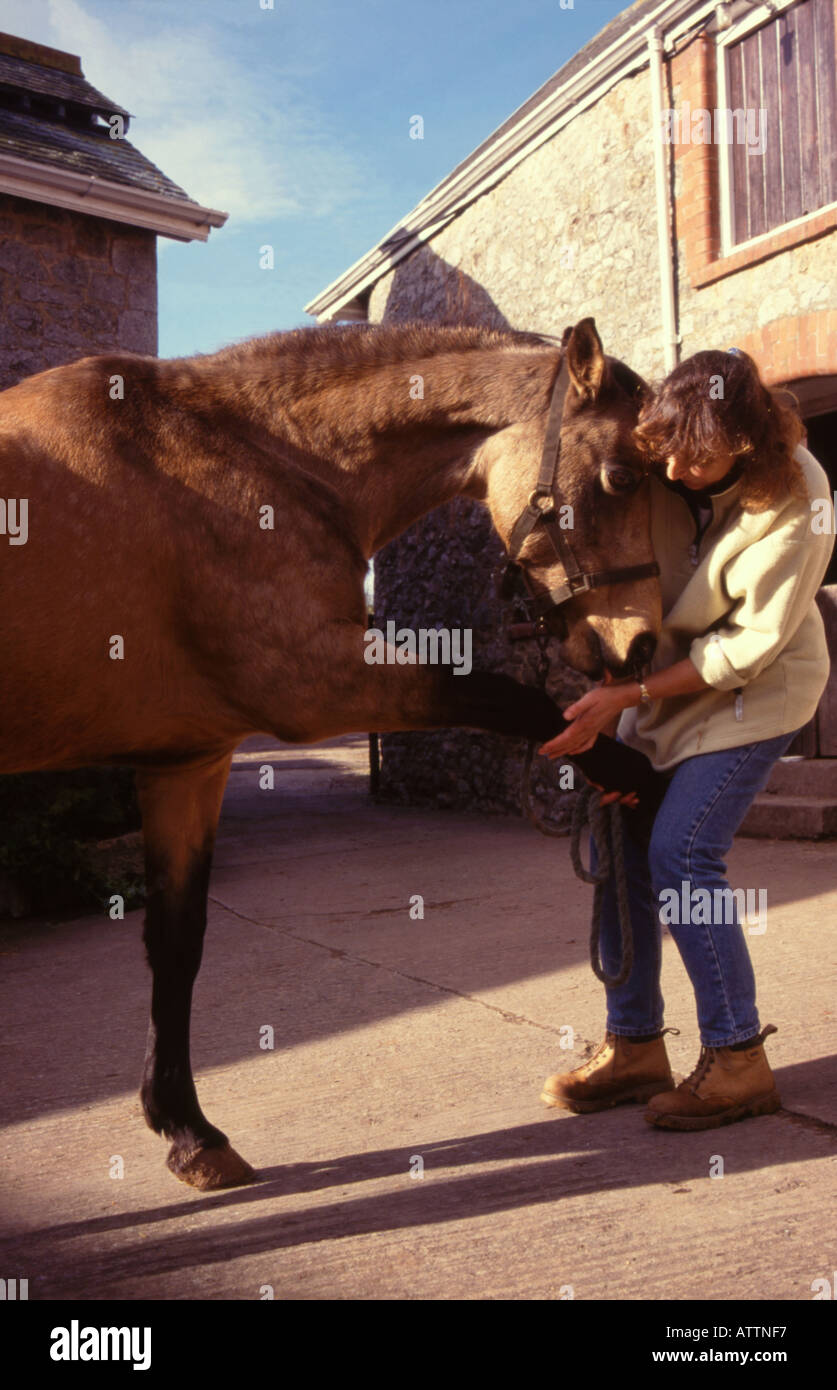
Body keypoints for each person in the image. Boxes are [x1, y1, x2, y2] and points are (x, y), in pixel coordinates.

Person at [538, 348, 834, 1130]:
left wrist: (623, 697)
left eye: (698, 455)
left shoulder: (801, 492)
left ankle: (738, 1060)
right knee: (617, 854)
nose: (677, 467)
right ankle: (634, 1046)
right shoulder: (660, 463)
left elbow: (748, 647)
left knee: (682, 853)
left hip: (752, 695)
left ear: (746, 441)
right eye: (665, 448)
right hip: (656, 691)